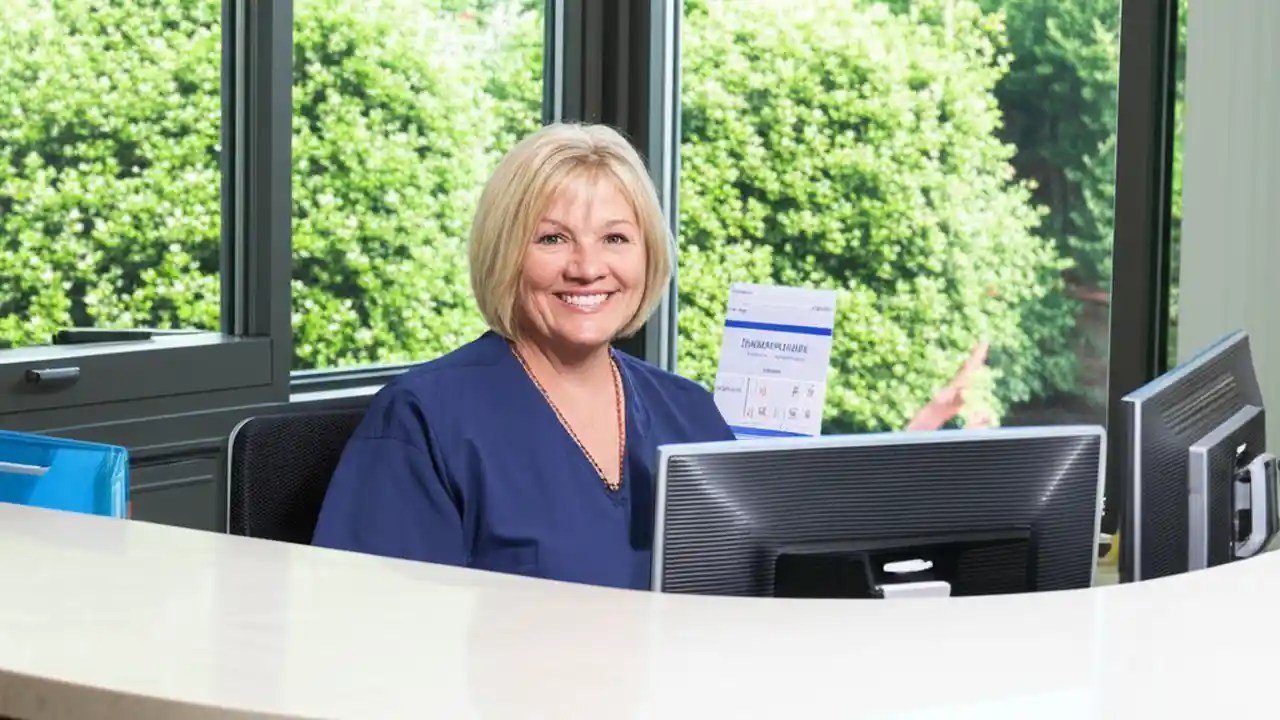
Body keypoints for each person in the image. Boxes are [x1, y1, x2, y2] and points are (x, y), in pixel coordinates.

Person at [311, 122, 735, 590]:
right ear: (506, 253)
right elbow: (377, 632)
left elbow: (745, 603)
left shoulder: (691, 414)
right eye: (552, 239)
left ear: (648, 254)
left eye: (615, 239)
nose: (588, 269)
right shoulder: (424, 418)